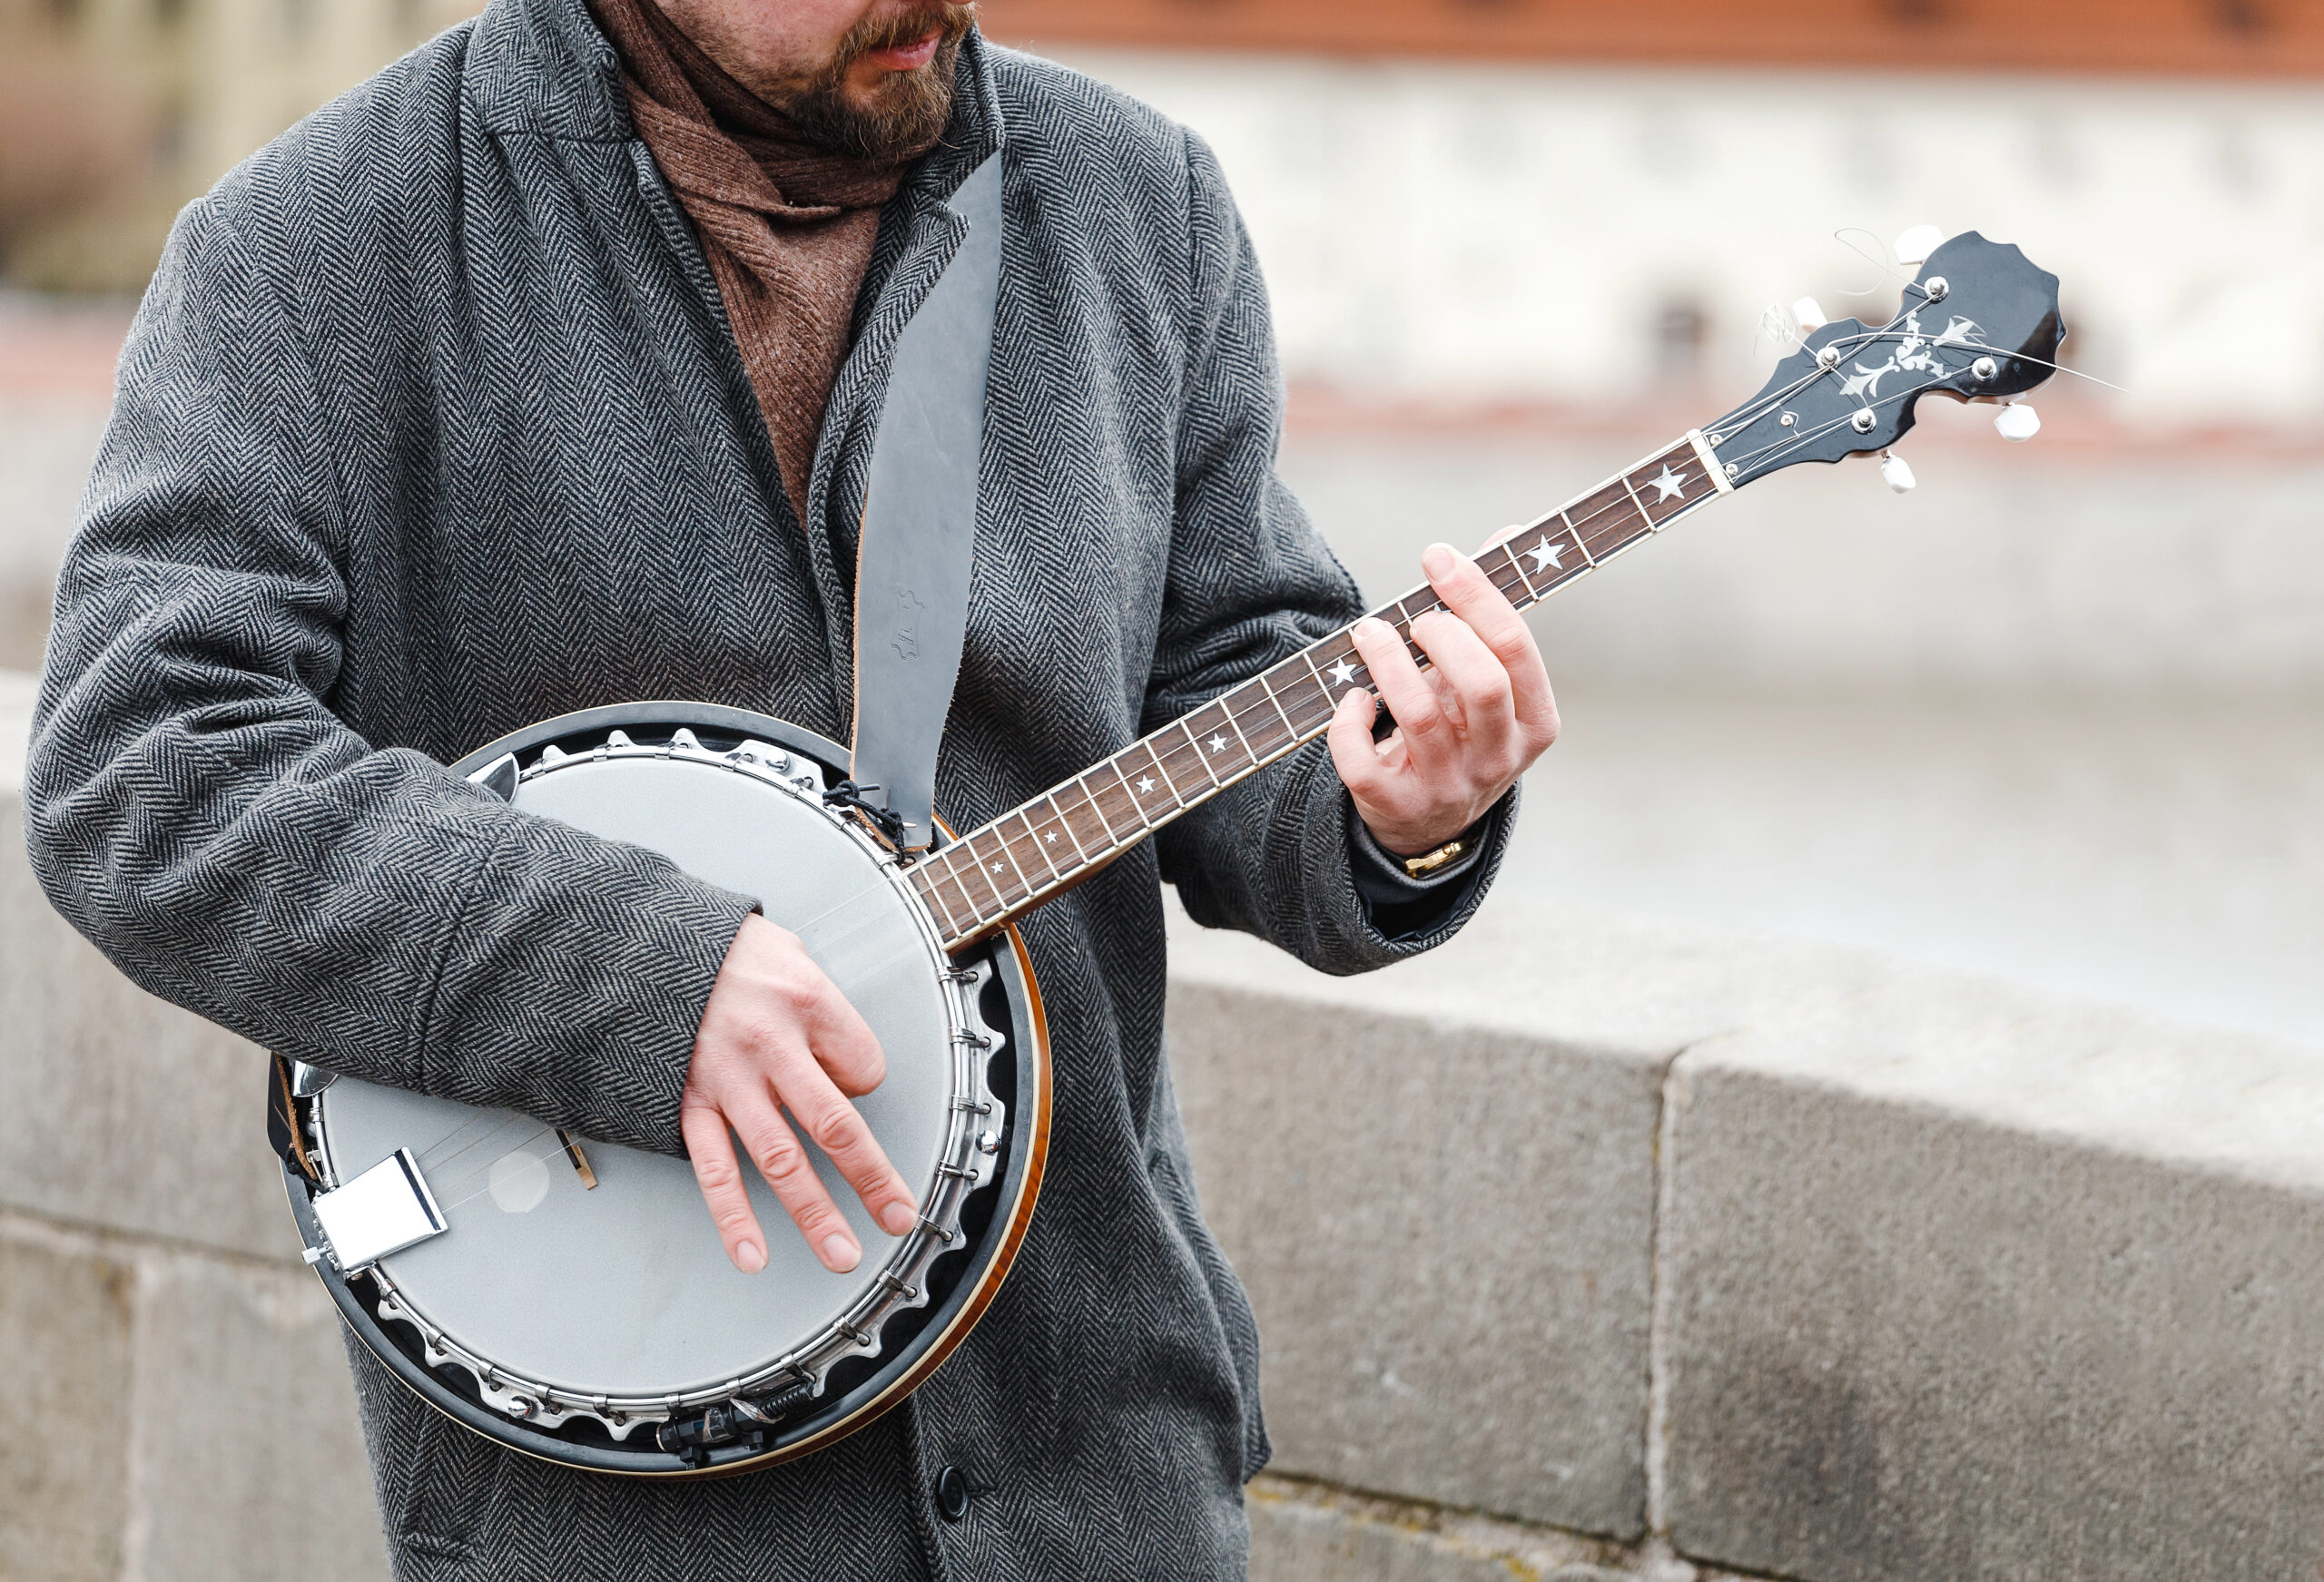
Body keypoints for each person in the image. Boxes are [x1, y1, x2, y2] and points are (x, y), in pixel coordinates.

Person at [23, 0, 1560, 1576]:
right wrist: (636, 977)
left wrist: (1384, 813)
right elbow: (145, 764)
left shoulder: (1135, 203)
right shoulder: (318, 253)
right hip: (623, 1514)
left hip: (1100, 1477)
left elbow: (1233, 672)